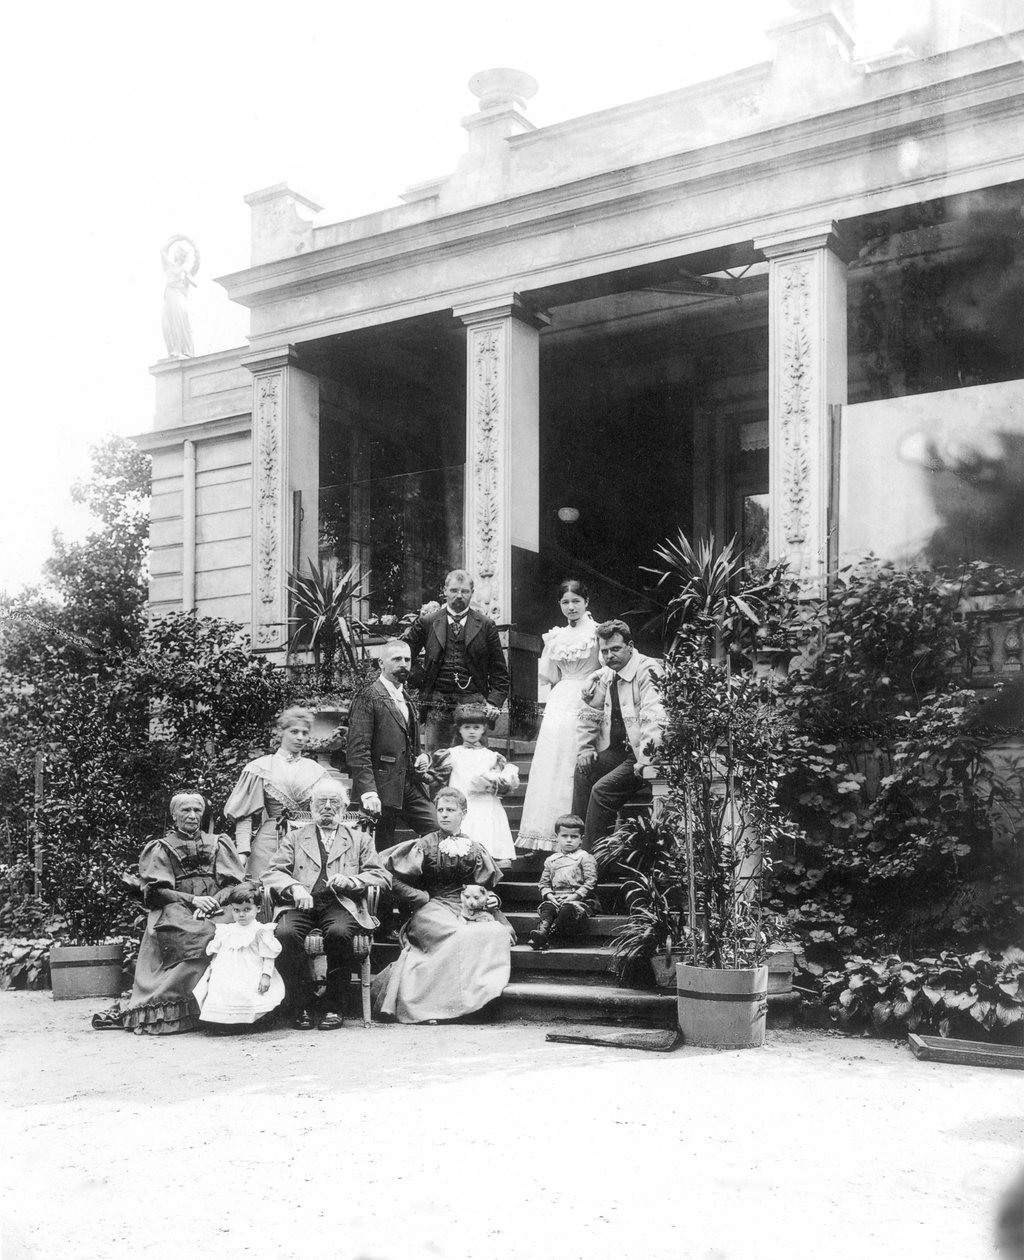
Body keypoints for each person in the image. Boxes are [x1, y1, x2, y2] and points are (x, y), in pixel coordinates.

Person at [376, 787, 515, 1024]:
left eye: (451, 810)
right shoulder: (424, 845)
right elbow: (387, 875)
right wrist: (418, 896)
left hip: (466, 908)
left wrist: (492, 900)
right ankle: (437, 1005)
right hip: (431, 909)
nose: (444, 815)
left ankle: (474, 1001)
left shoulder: (474, 848)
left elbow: (482, 885)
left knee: (495, 932)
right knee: (460, 934)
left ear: (464, 813)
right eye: (440, 810)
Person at [263, 779, 391, 1031]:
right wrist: (294, 887)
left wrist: (353, 880)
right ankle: (302, 1005)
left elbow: (381, 876)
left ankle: (334, 1005)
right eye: (322, 802)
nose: (328, 807)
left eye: (334, 802)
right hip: (299, 904)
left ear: (344, 809)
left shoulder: (360, 839)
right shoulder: (295, 837)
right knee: (284, 934)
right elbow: (271, 872)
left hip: (340, 903)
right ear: (311, 806)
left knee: (340, 933)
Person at [114, 792, 245, 1035]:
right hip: (175, 906)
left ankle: (227, 1009)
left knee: (232, 933)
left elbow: (232, 884)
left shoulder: (218, 842)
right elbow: (157, 892)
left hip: (217, 906)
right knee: (195, 935)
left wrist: (213, 902)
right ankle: (181, 1010)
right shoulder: (160, 847)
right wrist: (193, 900)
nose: (192, 815)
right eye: (185, 810)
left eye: (197, 810)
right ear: (174, 816)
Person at [517, 579, 600, 851]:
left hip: (590, 698)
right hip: (561, 701)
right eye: (565, 602)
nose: (571, 607)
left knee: (576, 762)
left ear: (586, 602)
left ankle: (580, 837)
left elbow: (608, 668)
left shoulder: (597, 633)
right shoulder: (555, 637)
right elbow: (550, 675)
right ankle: (544, 837)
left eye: (576, 601)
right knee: (552, 764)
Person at [572, 619, 666, 848]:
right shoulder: (606, 674)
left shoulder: (648, 669)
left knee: (602, 791)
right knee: (584, 770)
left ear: (630, 646)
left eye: (616, 649)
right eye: (605, 651)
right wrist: (585, 749)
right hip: (619, 751)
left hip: (642, 755)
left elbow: (655, 716)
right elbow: (589, 713)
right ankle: (573, 844)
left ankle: (591, 858)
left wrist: (647, 760)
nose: (610, 655)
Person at [402, 569, 510, 753]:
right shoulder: (428, 622)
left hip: (474, 703)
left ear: (472, 592)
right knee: (437, 763)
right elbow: (403, 654)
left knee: (476, 764)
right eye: (453, 590)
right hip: (438, 703)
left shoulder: (486, 625)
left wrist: (493, 702)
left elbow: (500, 672)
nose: (459, 596)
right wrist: (423, 680)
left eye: (465, 591)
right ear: (444, 591)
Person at [346, 639, 435, 849]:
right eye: (396, 659)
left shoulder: (406, 697)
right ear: (381, 663)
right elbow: (358, 749)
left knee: (438, 829)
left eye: (407, 659)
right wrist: (368, 791)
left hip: (408, 784)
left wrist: (421, 758)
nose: (403, 664)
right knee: (381, 848)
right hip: (380, 787)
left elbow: (408, 742)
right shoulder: (368, 696)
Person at [224, 707, 330, 879]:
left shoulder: (316, 770)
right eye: (294, 731)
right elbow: (244, 815)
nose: (300, 737)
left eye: (305, 732)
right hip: (269, 842)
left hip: (307, 840)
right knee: (264, 893)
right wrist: (243, 851)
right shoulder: (261, 768)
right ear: (280, 732)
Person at [190, 881, 285, 1031]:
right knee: (226, 992)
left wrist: (266, 975)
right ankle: (228, 1023)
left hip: (252, 969)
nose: (241, 914)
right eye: (236, 910)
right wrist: (213, 969)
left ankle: (253, 1022)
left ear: (258, 908)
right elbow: (217, 953)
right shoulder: (226, 930)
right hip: (228, 970)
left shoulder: (261, 930)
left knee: (251, 994)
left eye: (247, 910)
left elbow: (268, 955)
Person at [433, 703, 519, 867]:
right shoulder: (452, 754)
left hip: (485, 800)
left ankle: (493, 855)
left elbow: (503, 784)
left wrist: (497, 781)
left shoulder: (492, 756)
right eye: (467, 727)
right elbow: (438, 779)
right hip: (461, 799)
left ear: (483, 729)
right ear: (459, 729)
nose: (472, 731)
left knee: (488, 817)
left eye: (476, 727)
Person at [527, 814, 600, 950]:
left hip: (578, 900)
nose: (569, 840)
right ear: (557, 837)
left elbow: (591, 882)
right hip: (557, 898)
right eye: (564, 836)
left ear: (581, 839)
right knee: (547, 908)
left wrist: (575, 896)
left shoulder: (584, 857)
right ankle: (542, 931)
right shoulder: (551, 860)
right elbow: (544, 884)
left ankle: (548, 937)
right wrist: (550, 896)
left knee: (567, 910)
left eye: (574, 837)